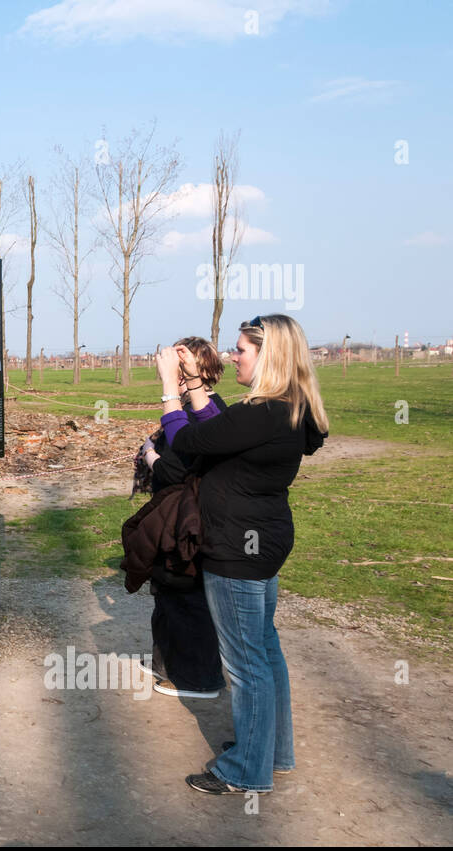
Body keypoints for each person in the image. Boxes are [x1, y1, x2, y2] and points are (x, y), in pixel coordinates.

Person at [155, 314, 328, 795]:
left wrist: (171, 386)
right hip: (264, 540)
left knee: (245, 663)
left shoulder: (262, 412)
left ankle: (246, 770)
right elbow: (220, 431)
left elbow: (189, 441)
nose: (232, 357)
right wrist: (194, 385)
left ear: (267, 356)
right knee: (264, 651)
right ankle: (273, 752)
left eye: (241, 351)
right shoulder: (285, 408)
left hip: (236, 547)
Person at [138, 337, 228, 699]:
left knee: (187, 594)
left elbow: (176, 471)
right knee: (166, 589)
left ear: (199, 370)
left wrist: (149, 456)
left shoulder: (203, 412)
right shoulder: (190, 408)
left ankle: (198, 678)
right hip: (174, 515)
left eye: (180, 362)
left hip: (189, 522)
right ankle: (167, 663)